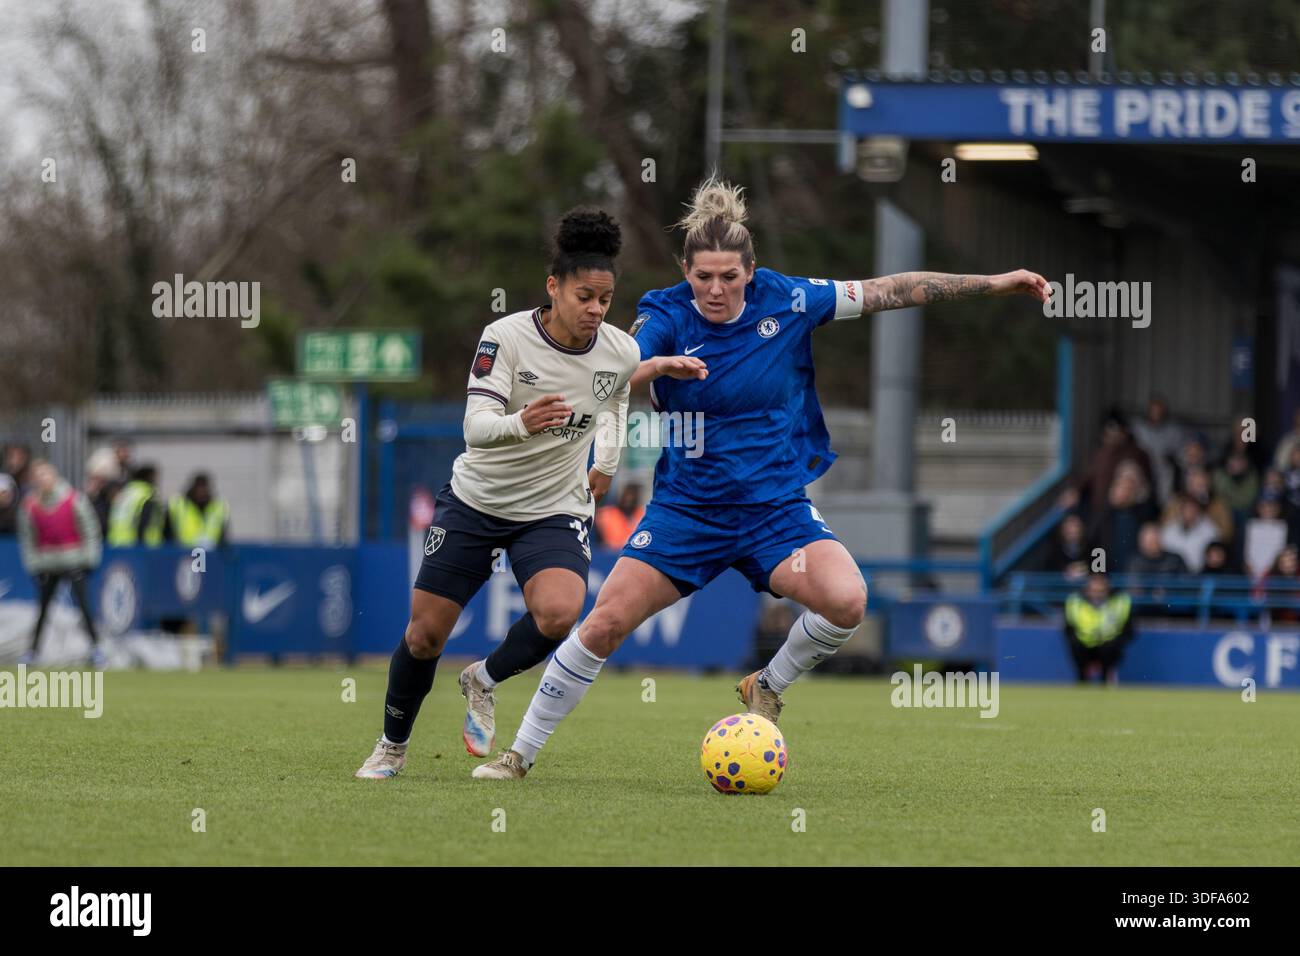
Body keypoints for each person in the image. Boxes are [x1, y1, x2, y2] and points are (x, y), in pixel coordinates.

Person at [472, 176, 1050, 780]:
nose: (715, 289)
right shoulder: (665, 313)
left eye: (729, 276)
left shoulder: (792, 301)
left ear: (752, 270)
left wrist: (994, 283)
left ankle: (768, 684)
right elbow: (619, 366)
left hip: (775, 512)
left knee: (848, 600)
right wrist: (653, 366)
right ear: (685, 271)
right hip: (686, 514)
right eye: (703, 277)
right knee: (605, 623)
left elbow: (889, 291)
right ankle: (519, 756)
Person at [353, 207, 702, 780]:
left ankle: (482, 679)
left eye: (605, 299)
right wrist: (523, 422)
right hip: (477, 499)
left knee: (561, 613)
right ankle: (392, 746)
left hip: (554, 506)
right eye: (584, 296)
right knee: (424, 635)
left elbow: (614, 397)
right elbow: (475, 429)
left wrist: (607, 462)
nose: (595, 310)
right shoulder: (505, 338)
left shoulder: (618, 349)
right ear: (553, 287)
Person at [15, 460, 104, 667]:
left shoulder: (73, 499)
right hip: (47, 564)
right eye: (38, 476)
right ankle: (33, 652)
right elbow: (27, 538)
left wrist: (89, 559)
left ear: (54, 476)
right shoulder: (30, 505)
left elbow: (90, 530)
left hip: (74, 561)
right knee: (43, 609)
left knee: (83, 606)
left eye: (45, 475)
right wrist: (34, 564)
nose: (42, 480)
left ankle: (96, 649)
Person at [1062, 572, 1135, 685]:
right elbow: (1068, 628)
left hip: (1108, 646)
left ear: (1108, 584)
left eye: (1101, 582)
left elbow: (1129, 630)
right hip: (1084, 645)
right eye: (1094, 582)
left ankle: (1106, 680)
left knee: (1110, 650)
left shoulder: (1120, 601)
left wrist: (1116, 642)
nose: (1097, 586)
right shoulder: (1075, 601)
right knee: (1075, 647)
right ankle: (1082, 681)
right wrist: (1075, 639)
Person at [1129, 395, 1183, 506]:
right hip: (1142, 469)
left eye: (1159, 411)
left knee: (1164, 501)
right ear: (1148, 411)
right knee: (1141, 500)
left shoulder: (1173, 430)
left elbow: (1180, 454)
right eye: (1153, 410)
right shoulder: (1138, 428)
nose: (1156, 414)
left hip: (1163, 471)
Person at [106, 464, 164, 546]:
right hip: (135, 546)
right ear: (149, 476)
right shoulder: (146, 493)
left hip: (116, 543)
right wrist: (142, 547)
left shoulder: (127, 491)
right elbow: (144, 522)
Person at [166, 473, 230, 547]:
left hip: (211, 554)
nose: (201, 491)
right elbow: (167, 532)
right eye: (199, 487)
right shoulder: (178, 505)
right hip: (184, 553)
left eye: (204, 487)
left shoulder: (219, 507)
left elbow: (223, 534)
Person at [594, 481, 645, 548]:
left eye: (633, 496)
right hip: (609, 554)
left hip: (633, 552)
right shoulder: (605, 514)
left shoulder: (643, 513)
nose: (629, 499)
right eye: (627, 494)